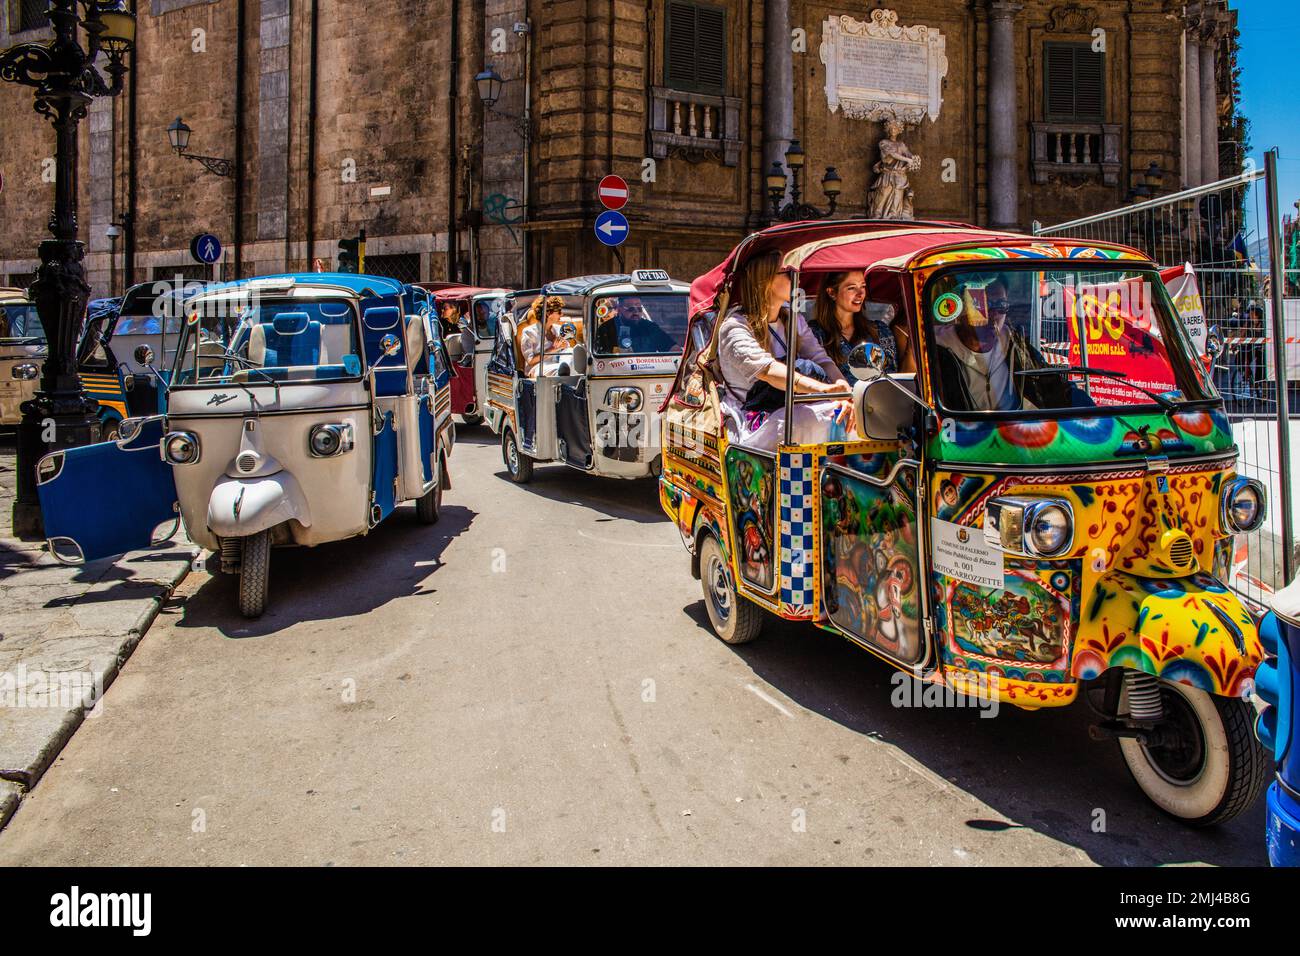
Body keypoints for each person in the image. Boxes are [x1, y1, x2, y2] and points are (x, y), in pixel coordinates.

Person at [716, 250, 855, 449]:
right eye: (788, 273)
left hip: (793, 405)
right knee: (803, 421)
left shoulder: (793, 319)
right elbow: (769, 371)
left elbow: (821, 359)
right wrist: (824, 389)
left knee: (850, 415)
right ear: (764, 280)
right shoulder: (734, 326)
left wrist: (844, 392)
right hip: (752, 418)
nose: (796, 278)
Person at [933, 278, 1066, 412]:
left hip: (1017, 429)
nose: (994, 314)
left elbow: (1055, 386)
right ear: (963, 311)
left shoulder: (1015, 344)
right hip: (962, 431)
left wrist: (1086, 412)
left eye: (1001, 305)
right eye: (983, 305)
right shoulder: (936, 351)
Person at [810, 269, 914, 377]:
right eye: (852, 288)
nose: (860, 294)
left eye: (863, 286)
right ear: (831, 292)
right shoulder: (814, 334)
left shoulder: (880, 331)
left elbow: (895, 377)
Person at [518, 295, 580, 378]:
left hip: (558, 362)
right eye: (559, 312)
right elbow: (530, 361)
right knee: (559, 370)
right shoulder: (529, 332)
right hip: (539, 367)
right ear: (548, 313)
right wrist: (553, 349)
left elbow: (566, 351)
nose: (561, 314)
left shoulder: (558, 329)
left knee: (570, 350)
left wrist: (564, 345)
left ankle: (566, 370)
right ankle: (564, 372)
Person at [594, 296, 677, 353]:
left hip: (650, 372)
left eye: (639, 308)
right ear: (619, 310)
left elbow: (672, 348)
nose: (636, 312)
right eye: (630, 308)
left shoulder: (651, 327)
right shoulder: (606, 329)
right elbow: (600, 357)